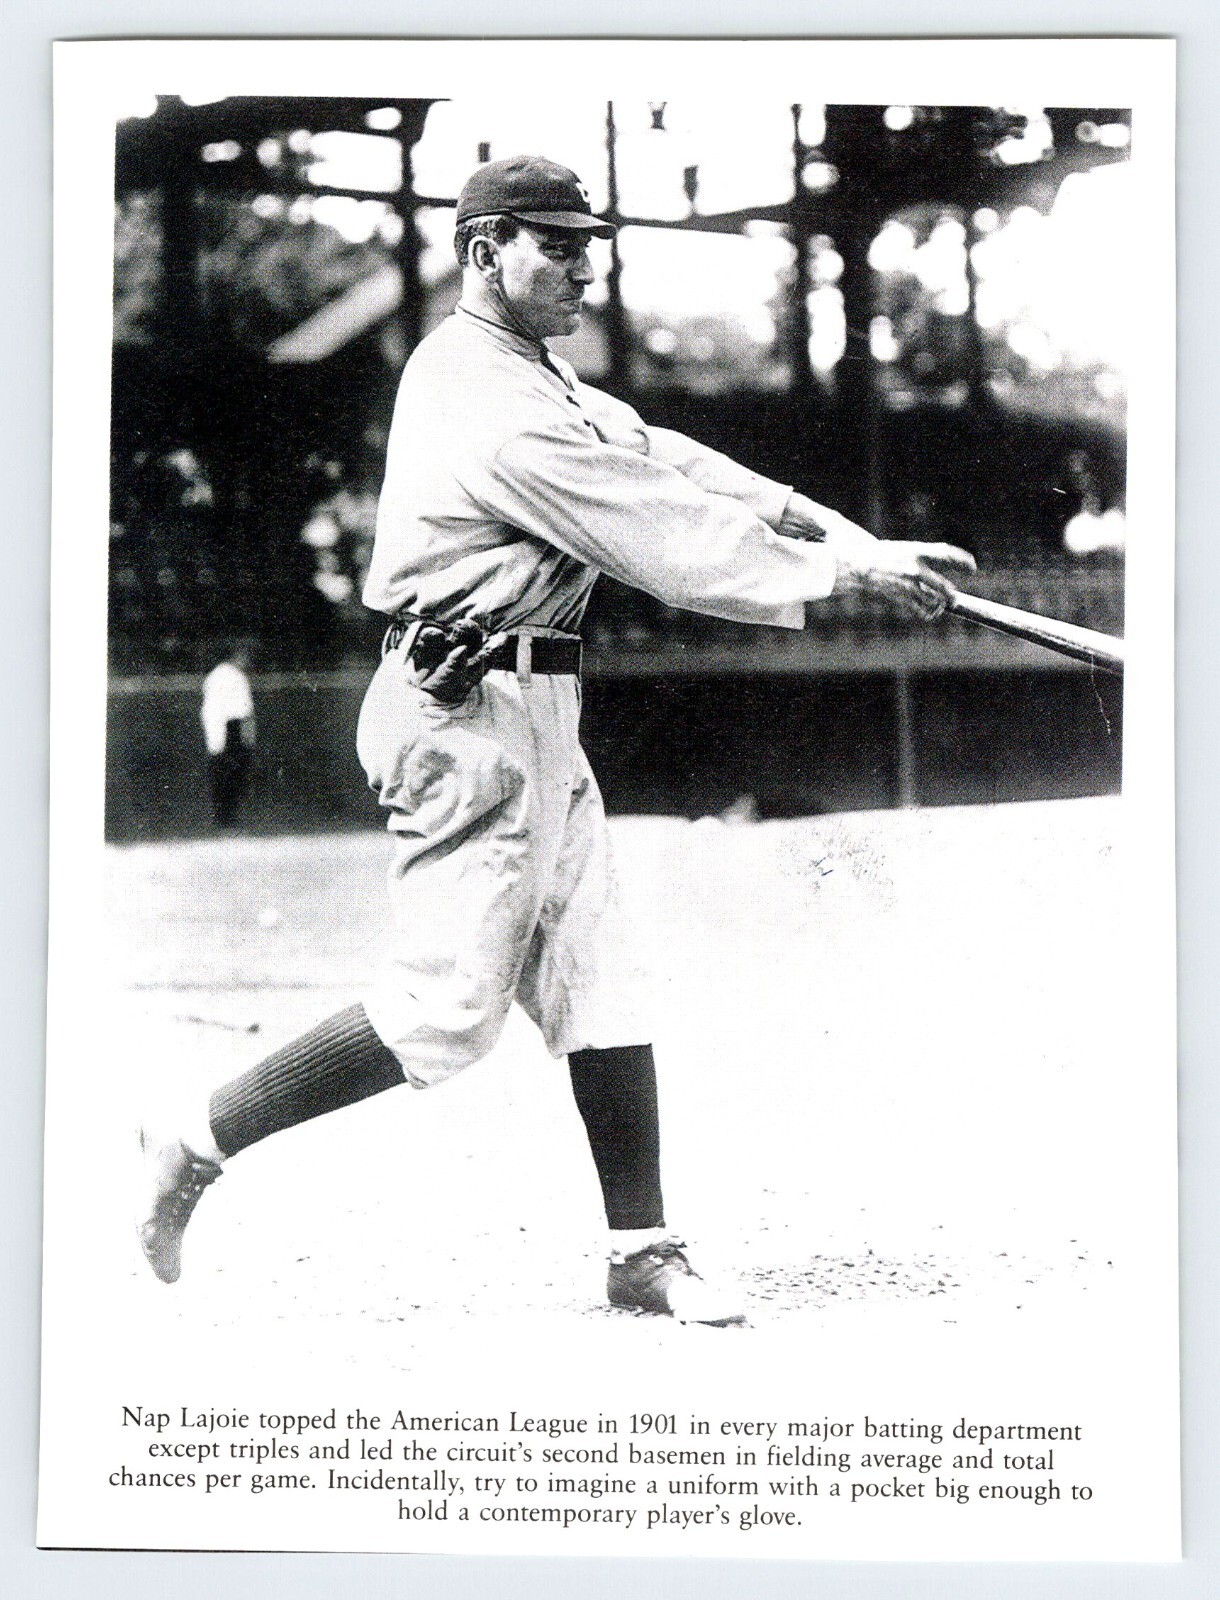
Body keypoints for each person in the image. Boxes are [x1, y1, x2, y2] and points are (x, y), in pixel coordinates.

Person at [138, 156, 974, 1326]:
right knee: (445, 1007)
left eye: (590, 243)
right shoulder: (475, 389)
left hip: (536, 707)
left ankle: (641, 1247)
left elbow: (667, 458)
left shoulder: (540, 377)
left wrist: (828, 525)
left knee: (602, 970)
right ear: (485, 254)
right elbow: (649, 523)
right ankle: (195, 1134)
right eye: (555, 243)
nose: (585, 263)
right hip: (461, 708)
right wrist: (843, 572)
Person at [201, 644, 256, 827]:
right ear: (237, 656)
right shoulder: (237, 677)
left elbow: (208, 708)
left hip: (215, 728)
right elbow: (244, 711)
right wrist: (248, 737)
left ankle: (222, 816)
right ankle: (228, 816)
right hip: (232, 726)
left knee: (219, 772)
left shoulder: (214, 675)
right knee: (233, 773)